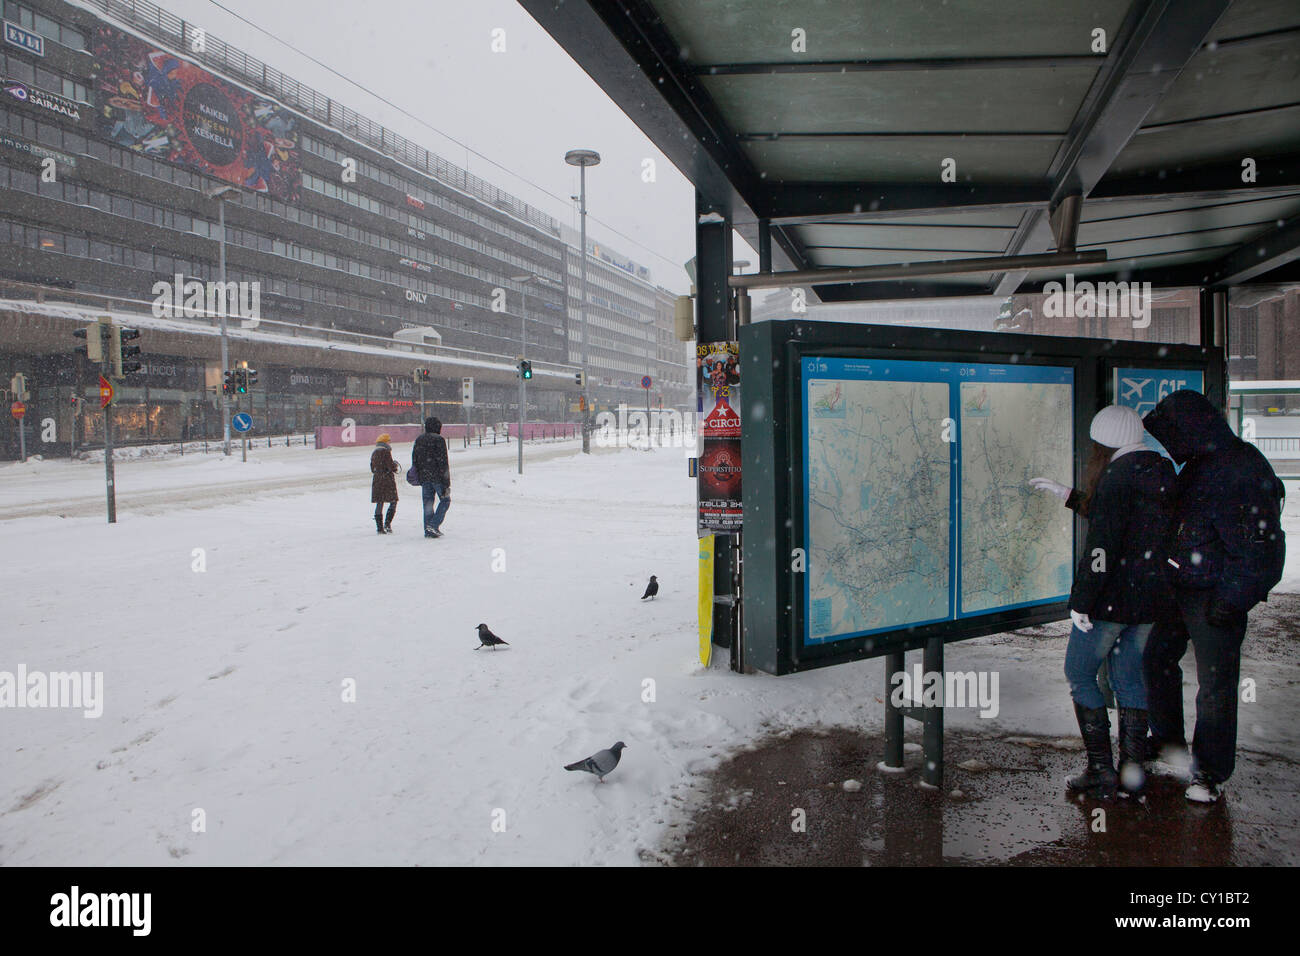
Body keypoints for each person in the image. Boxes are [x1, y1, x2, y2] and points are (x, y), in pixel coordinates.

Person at [1141, 390, 1285, 803]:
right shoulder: (1203, 463)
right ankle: (1169, 745)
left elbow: (1264, 545)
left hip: (1215, 594)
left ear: (1192, 427)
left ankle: (1209, 772)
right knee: (1157, 660)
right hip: (1182, 587)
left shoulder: (1239, 466)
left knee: (1217, 685)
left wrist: (1234, 597)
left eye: (1171, 433)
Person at [1029, 405, 1176, 799]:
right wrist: (1068, 495)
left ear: (1104, 442)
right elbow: (1128, 520)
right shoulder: (1160, 472)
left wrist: (1080, 602)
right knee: (1128, 680)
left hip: (1111, 604)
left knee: (1079, 673)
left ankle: (1100, 771)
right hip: (1148, 603)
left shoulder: (1115, 478)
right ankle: (1131, 772)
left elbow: (1102, 549)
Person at [411, 417, 451, 538]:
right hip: (438, 477)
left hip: (424, 477)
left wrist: (419, 473)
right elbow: (443, 461)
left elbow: (415, 459)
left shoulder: (419, 439)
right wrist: (446, 482)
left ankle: (428, 529)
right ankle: (433, 525)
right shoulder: (439, 440)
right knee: (445, 500)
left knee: (428, 503)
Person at [369, 433, 399, 534]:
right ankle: (387, 524)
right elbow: (391, 467)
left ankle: (380, 528)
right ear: (386, 442)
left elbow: (372, 468)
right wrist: (394, 466)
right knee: (393, 501)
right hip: (387, 480)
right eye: (389, 441)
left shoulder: (374, 452)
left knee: (379, 503)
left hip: (377, 480)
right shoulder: (386, 452)